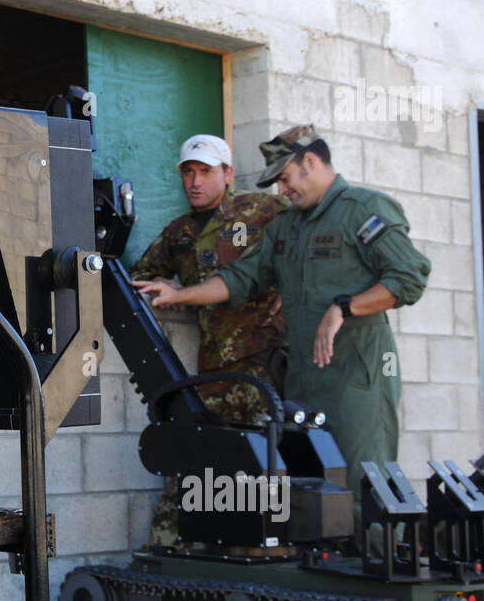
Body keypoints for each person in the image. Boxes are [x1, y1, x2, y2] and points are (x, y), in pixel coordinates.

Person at [141, 125, 432, 537]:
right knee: (310, 483)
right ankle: (327, 587)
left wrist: (344, 307)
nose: (282, 191)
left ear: (310, 162)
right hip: (301, 378)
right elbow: (241, 279)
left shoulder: (363, 208)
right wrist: (180, 294)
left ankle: (384, 582)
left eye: (285, 178)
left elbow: (410, 277)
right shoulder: (286, 227)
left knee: (364, 483)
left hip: (357, 377)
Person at [131, 133, 288, 424]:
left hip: (265, 360)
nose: (195, 182)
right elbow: (139, 275)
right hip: (216, 368)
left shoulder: (261, 210)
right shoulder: (179, 232)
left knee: (271, 456)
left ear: (227, 173)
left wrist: (293, 282)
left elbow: (306, 237)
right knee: (217, 452)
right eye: (188, 172)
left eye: (205, 171)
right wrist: (162, 284)